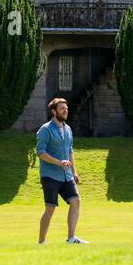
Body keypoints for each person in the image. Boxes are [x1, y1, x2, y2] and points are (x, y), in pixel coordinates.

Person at [36, 97, 85, 244]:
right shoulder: (45, 130)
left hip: (66, 175)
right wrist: (59, 162)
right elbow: (41, 153)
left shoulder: (67, 129)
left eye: (66, 108)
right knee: (50, 208)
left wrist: (74, 172)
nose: (65, 110)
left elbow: (70, 151)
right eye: (62, 108)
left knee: (76, 201)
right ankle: (41, 242)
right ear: (53, 111)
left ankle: (71, 238)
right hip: (50, 175)